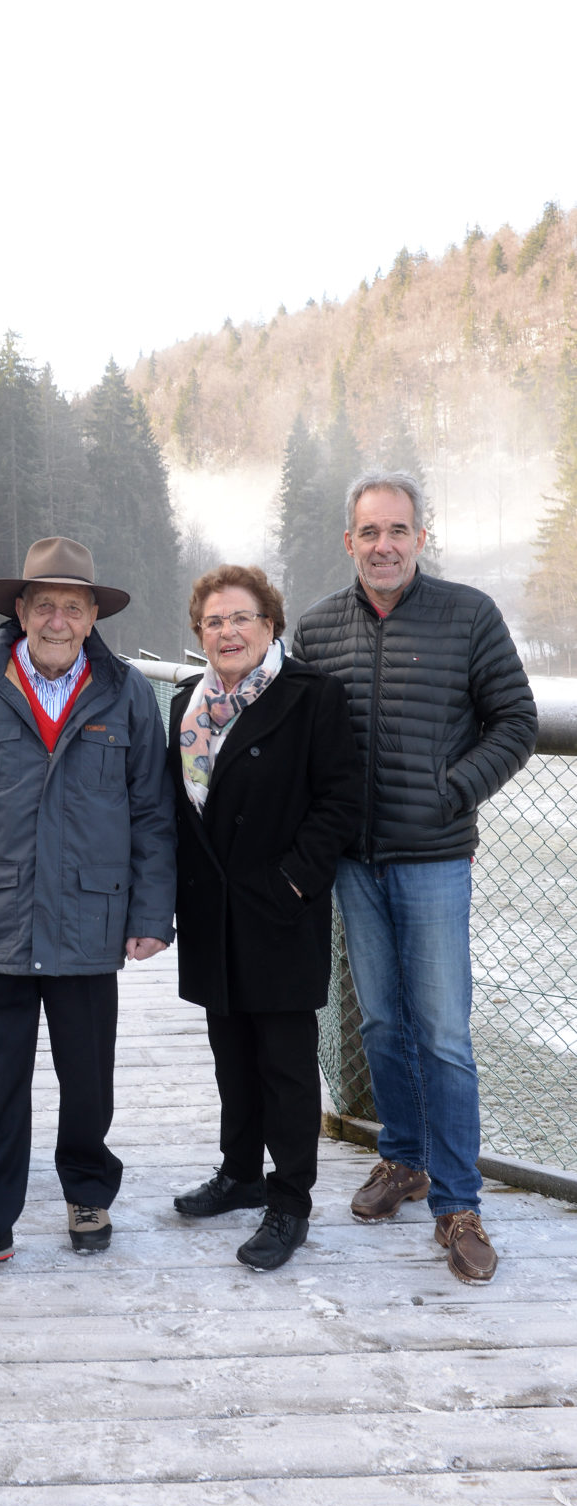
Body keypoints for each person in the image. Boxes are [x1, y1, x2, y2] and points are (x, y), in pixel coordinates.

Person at [0, 536, 176, 1282]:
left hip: (90, 916)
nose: (58, 619)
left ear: (93, 618)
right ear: (21, 610)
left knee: (88, 1077)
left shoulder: (127, 693)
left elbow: (151, 812)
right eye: (45, 604)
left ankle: (88, 1192)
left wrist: (152, 910)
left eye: (74, 607)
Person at [294, 470, 537, 1284]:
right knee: (382, 1027)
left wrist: (455, 790)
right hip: (353, 862)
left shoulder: (468, 614)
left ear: (420, 539)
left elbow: (517, 721)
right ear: (349, 540)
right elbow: (298, 738)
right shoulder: (319, 627)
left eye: (398, 531)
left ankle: (458, 1202)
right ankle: (403, 1158)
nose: (384, 545)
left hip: (433, 857)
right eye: (369, 532)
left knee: (443, 1033)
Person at [169, 565, 362, 1270]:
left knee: (284, 1063)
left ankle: (289, 1203)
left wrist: (292, 883)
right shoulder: (186, 704)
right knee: (231, 1055)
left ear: (270, 625)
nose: (227, 632)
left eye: (242, 618)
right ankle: (241, 1173)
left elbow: (340, 800)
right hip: (213, 910)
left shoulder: (312, 696)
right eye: (214, 622)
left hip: (279, 910)